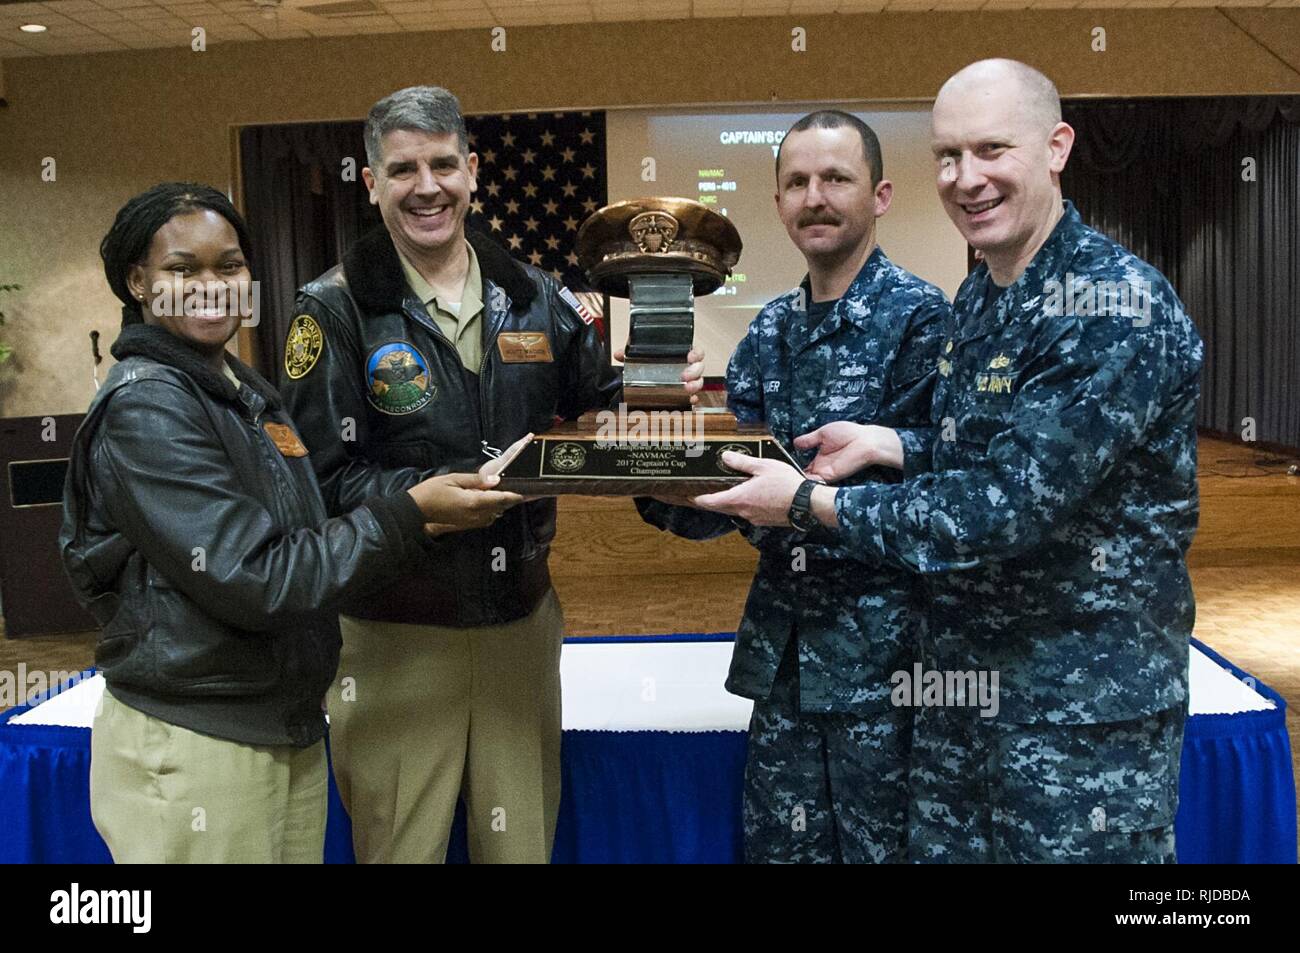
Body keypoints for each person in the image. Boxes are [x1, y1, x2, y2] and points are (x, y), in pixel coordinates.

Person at [693, 60, 1203, 864]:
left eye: (992, 150)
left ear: (1058, 146)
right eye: (948, 156)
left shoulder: (1110, 303)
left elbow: (1006, 502)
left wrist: (813, 504)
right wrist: (891, 444)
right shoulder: (987, 297)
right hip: (960, 695)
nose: (967, 179)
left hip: (1077, 715)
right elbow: (983, 451)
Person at [279, 86, 704, 864]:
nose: (427, 186)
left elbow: (602, 416)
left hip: (519, 626)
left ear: (472, 171)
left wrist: (657, 394)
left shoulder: (535, 296)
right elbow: (318, 489)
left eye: (444, 163)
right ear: (371, 184)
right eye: (402, 169)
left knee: (521, 850)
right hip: (394, 637)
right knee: (398, 851)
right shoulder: (331, 312)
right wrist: (417, 507)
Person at [60, 182, 520, 864]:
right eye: (182, 269)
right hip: (200, 739)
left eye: (229, 265)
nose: (211, 285)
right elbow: (260, 574)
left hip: (283, 724)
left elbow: (312, 522)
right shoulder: (148, 407)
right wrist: (409, 516)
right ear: (138, 281)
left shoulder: (244, 391)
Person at [637, 111, 949, 863]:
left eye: (835, 178)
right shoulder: (768, 332)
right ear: (777, 203)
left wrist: (804, 501)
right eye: (797, 182)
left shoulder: (926, 320)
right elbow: (731, 497)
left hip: (892, 668)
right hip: (787, 662)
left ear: (879, 195)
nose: (815, 197)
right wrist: (654, 453)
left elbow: (954, 486)